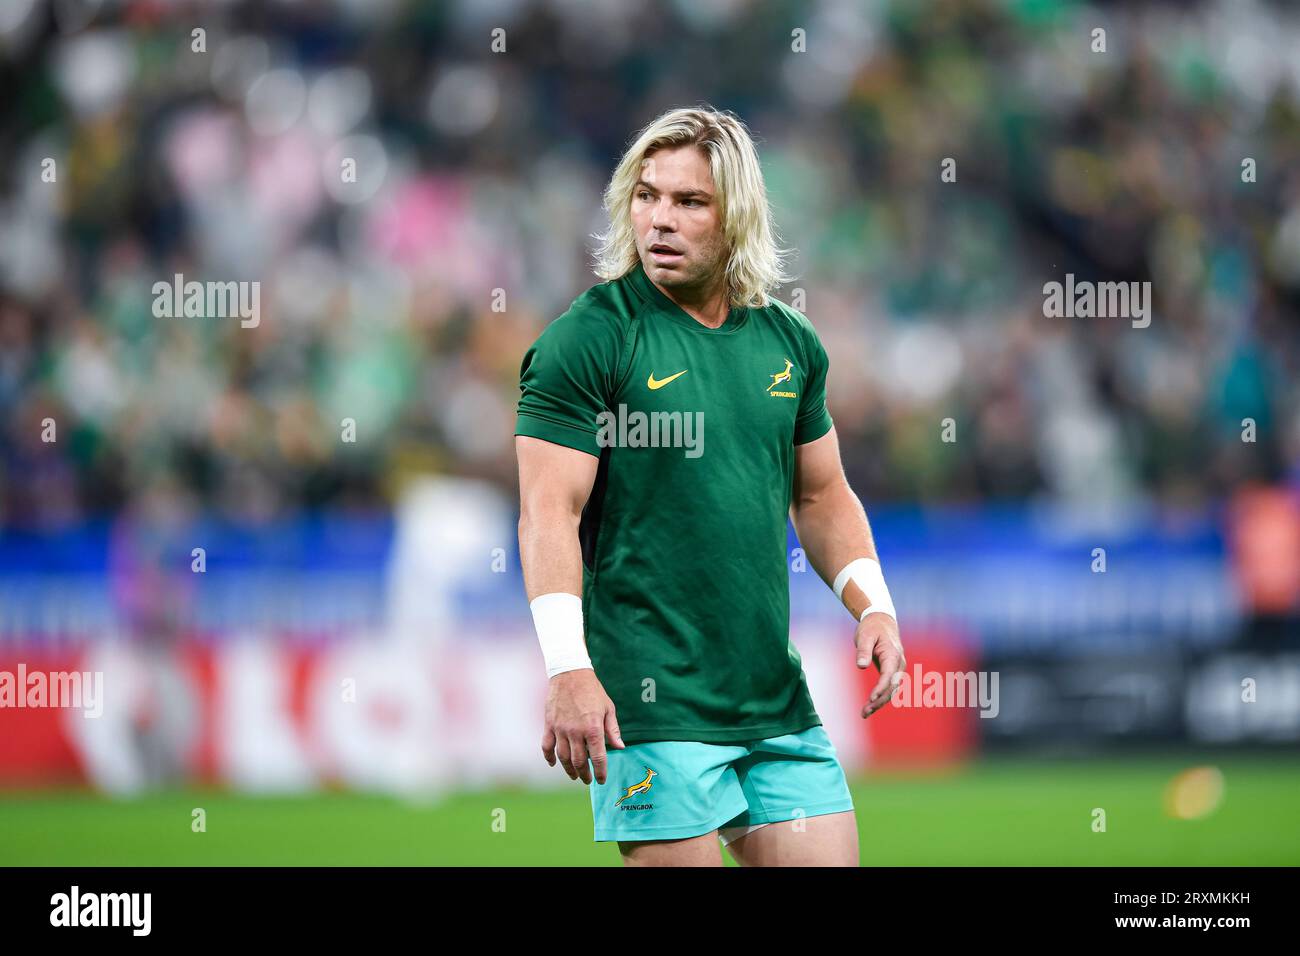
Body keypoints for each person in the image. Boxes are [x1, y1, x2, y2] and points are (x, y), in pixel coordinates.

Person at [515, 106, 905, 866]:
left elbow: (822, 496)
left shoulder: (790, 342)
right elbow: (546, 514)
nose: (660, 219)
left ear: (738, 216)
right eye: (647, 195)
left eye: (689, 202)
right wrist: (568, 667)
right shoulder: (589, 339)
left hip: (774, 702)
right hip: (652, 708)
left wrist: (875, 606)